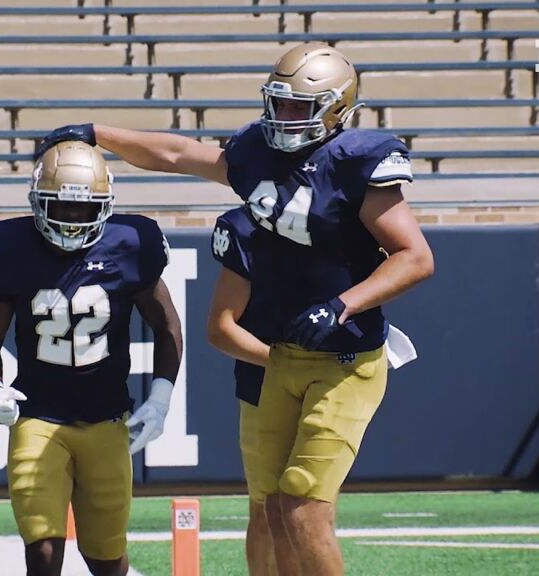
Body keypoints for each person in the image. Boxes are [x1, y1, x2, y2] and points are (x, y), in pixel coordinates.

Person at [35, 42, 435, 575]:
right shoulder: (256, 152)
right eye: (279, 102)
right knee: (270, 509)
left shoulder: (355, 162)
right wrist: (96, 134)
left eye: (300, 107)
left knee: (301, 505)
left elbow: (415, 257)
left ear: (339, 110)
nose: (284, 117)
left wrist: (343, 304)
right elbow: (179, 155)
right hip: (279, 359)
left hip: (345, 360)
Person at [0, 141, 183, 576]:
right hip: (37, 418)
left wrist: (160, 398)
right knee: (43, 551)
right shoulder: (8, 247)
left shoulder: (130, 244)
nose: (71, 219)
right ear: (37, 202)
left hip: (107, 420)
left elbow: (168, 328)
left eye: (84, 209)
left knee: (105, 558)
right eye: (60, 207)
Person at [205, 206, 281, 576]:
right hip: (265, 384)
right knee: (268, 507)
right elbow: (221, 327)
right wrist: (289, 364)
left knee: (315, 505)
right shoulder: (248, 228)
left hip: (331, 381)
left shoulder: (343, 215)